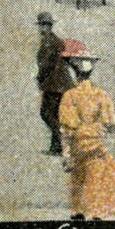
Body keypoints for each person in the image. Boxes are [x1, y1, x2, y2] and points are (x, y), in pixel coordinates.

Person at [58, 44, 115, 219]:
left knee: (80, 177)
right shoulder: (101, 95)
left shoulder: (69, 96)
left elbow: (67, 129)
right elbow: (111, 123)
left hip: (78, 144)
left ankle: (83, 211)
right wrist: (98, 128)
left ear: (74, 73)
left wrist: (66, 153)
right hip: (95, 142)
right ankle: (108, 206)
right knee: (100, 172)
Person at [36, 11, 68, 155]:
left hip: (53, 84)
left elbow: (46, 64)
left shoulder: (48, 41)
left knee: (45, 113)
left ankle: (60, 139)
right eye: (41, 25)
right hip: (61, 84)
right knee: (55, 114)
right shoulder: (56, 40)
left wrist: (40, 78)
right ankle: (56, 147)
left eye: (43, 25)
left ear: (47, 26)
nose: (41, 28)